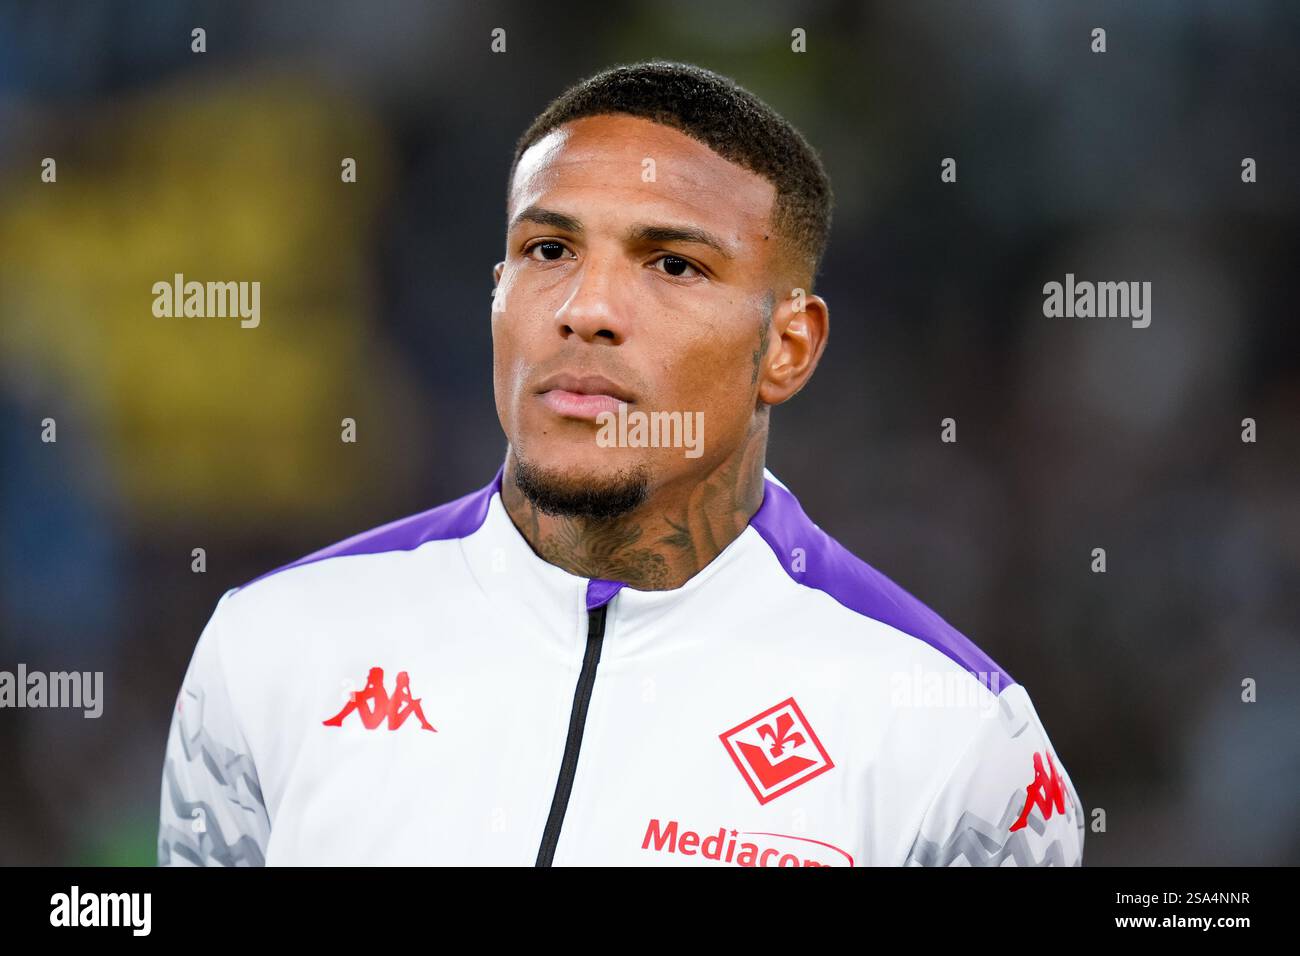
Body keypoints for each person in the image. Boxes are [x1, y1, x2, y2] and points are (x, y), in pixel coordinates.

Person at [158, 60, 1084, 867]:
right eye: (549, 250)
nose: (586, 308)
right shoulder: (272, 646)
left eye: (673, 265)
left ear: (788, 347)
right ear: (497, 298)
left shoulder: (954, 734)